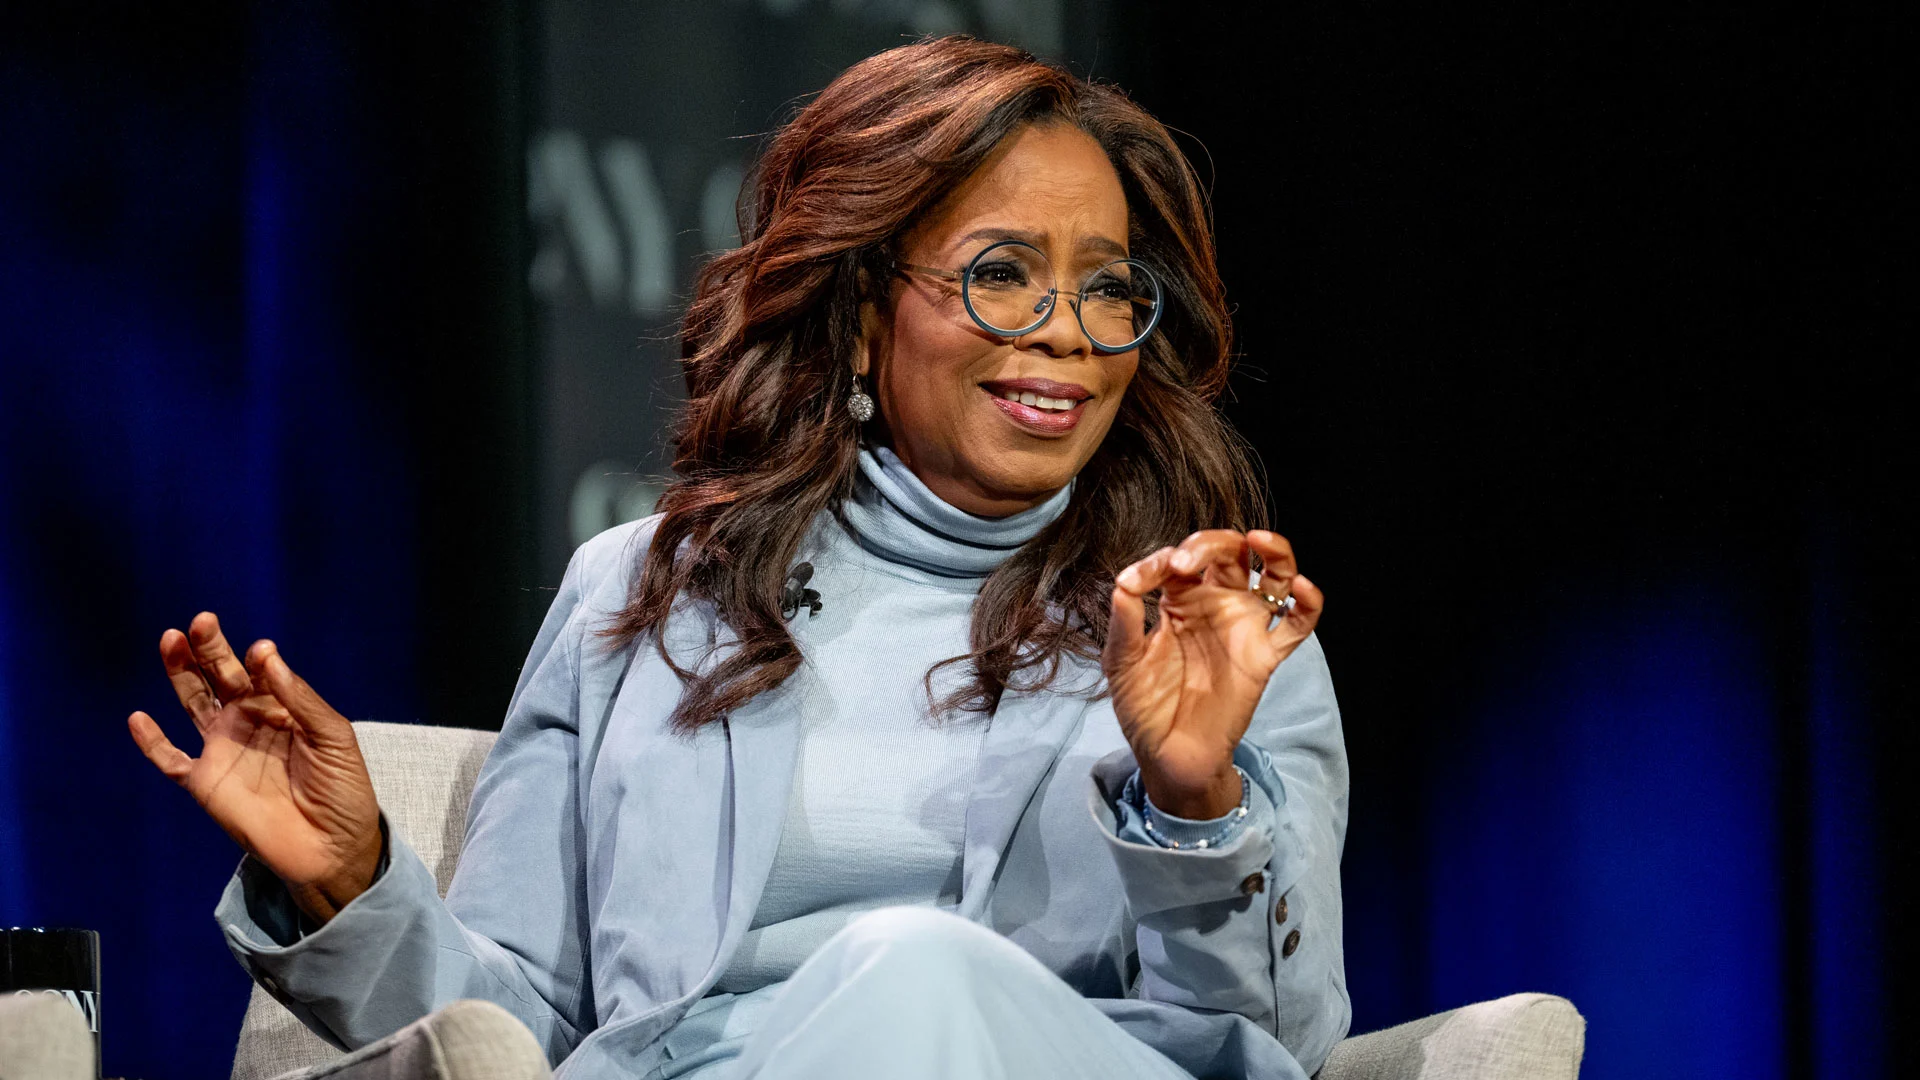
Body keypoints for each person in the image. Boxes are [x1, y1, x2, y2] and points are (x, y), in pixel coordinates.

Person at [128, 35, 1348, 1080]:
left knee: (916, 969)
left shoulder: (1209, 639)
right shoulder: (644, 595)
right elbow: (516, 1037)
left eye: (1107, 289)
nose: (1068, 335)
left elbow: (1276, 1047)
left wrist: (1196, 805)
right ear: (861, 312)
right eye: (1001, 274)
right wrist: (355, 883)